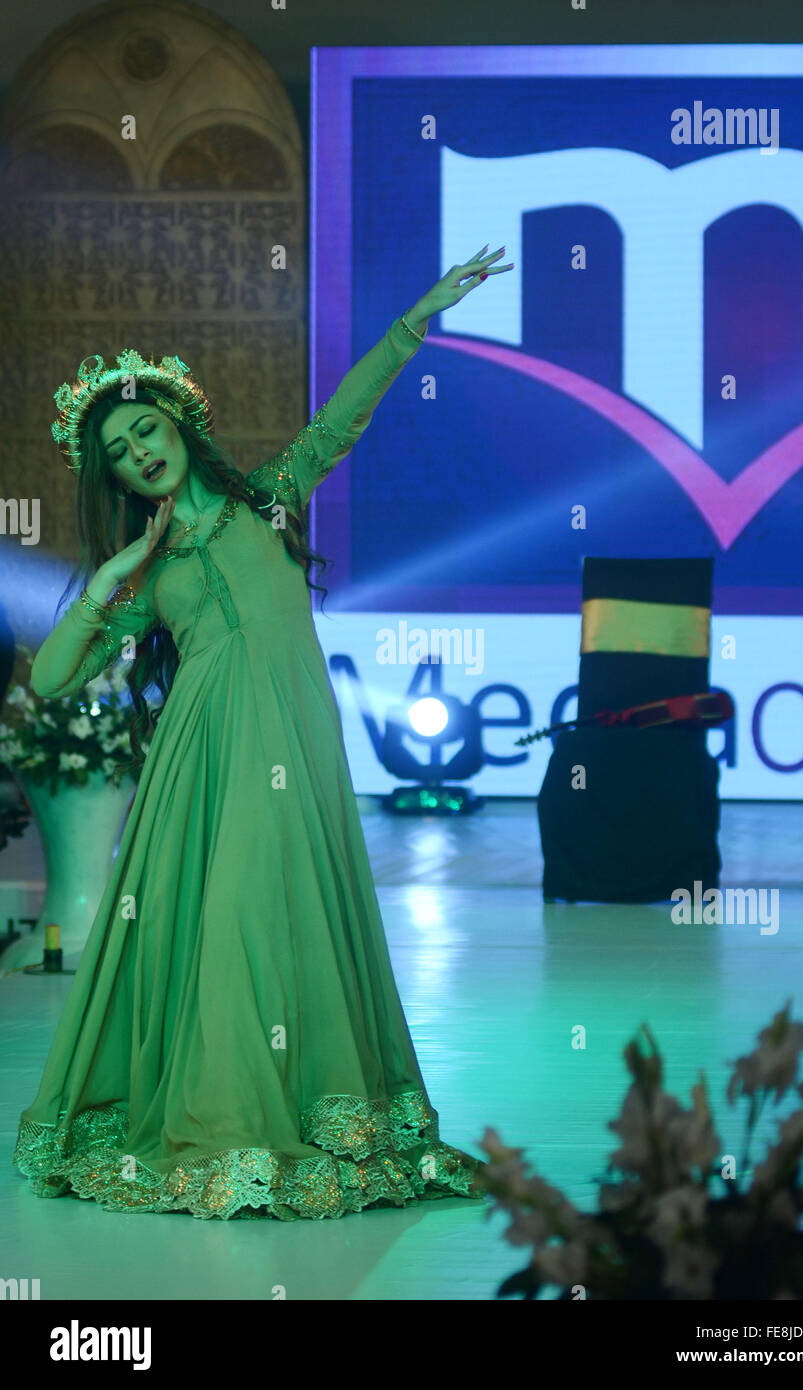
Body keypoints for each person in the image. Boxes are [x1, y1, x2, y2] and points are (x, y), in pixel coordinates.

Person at [13, 246, 513, 1220]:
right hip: (211, 758)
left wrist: (420, 317)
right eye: (118, 452)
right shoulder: (149, 577)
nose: (138, 454)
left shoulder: (268, 502)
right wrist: (118, 570)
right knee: (232, 917)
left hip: (302, 745)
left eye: (146, 431)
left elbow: (345, 417)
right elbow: (57, 675)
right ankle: (226, 1128)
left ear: (182, 426)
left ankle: (302, 1111)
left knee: (295, 920)